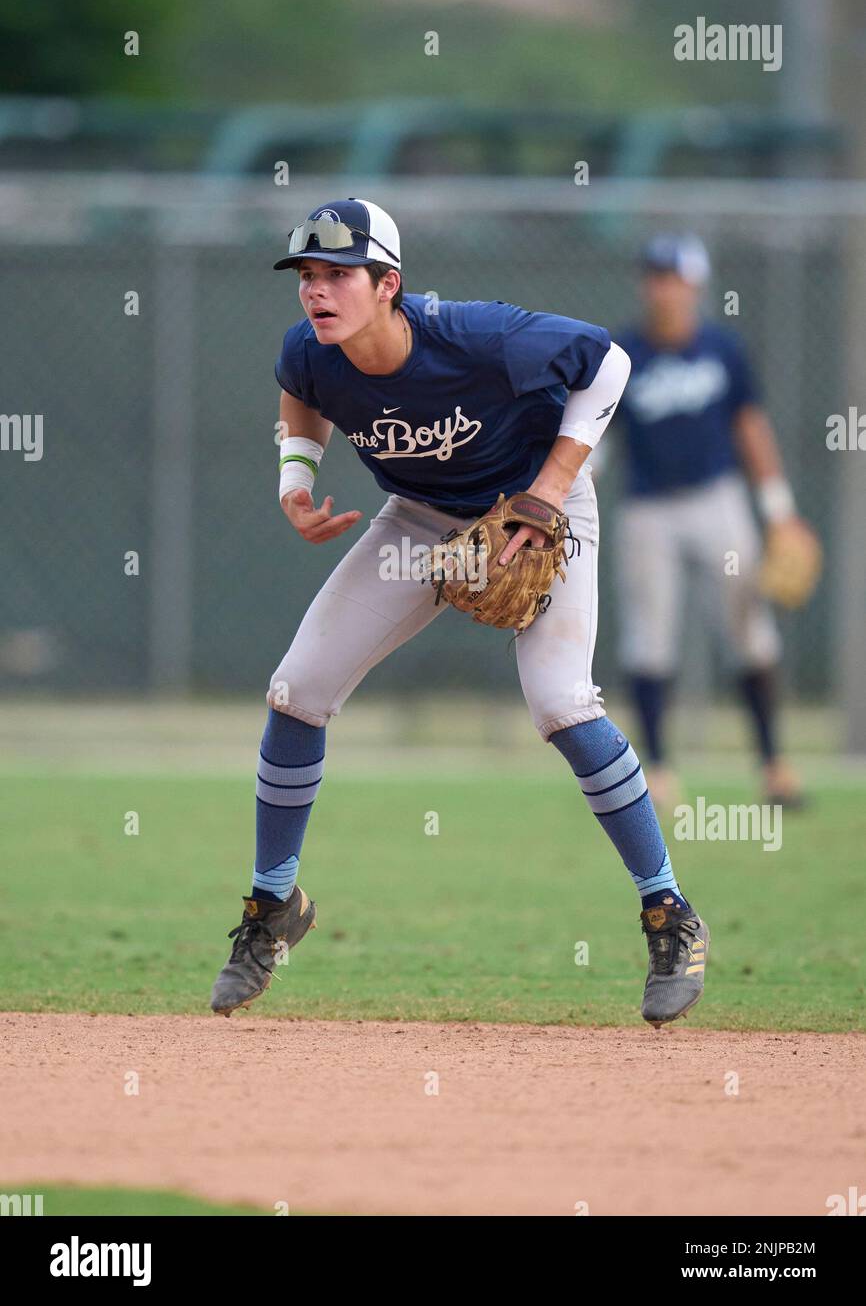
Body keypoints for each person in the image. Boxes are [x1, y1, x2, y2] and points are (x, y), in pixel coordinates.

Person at [209, 199, 709, 1028]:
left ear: (388, 284)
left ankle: (670, 914)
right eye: (307, 275)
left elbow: (610, 364)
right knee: (298, 689)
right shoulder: (311, 350)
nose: (316, 292)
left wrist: (548, 492)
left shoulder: (478, 337)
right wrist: (294, 483)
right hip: (419, 519)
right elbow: (298, 395)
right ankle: (272, 908)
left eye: (338, 274)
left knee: (561, 703)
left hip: (536, 512)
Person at [612, 234, 808, 811]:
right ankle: (660, 773)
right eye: (655, 276)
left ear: (694, 286)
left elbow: (750, 427)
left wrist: (779, 511)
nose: (663, 288)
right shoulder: (624, 353)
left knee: (751, 629)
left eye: (673, 277)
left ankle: (774, 767)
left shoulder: (722, 348)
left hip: (717, 501)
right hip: (647, 507)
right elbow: (595, 437)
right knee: (649, 638)